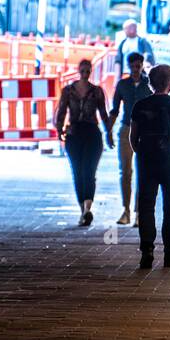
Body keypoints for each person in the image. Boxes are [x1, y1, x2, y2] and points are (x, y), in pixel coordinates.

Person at [130, 64, 170, 269]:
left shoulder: (140, 105)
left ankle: (147, 251)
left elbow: (133, 137)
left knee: (146, 206)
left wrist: (141, 153)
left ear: (151, 83)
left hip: (146, 159)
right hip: (169, 160)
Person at [55, 59, 114, 226]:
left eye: (88, 71)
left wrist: (109, 133)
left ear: (91, 72)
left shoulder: (96, 92)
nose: (85, 74)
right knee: (77, 172)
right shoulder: (68, 91)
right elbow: (61, 112)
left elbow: (103, 114)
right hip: (74, 133)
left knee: (89, 172)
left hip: (92, 133)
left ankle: (88, 208)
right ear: (78, 71)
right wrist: (59, 131)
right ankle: (83, 210)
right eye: (83, 71)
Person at [108, 52, 153, 225]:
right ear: (129, 66)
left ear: (142, 66)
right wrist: (109, 131)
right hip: (126, 128)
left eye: (138, 66)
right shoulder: (122, 85)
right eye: (133, 66)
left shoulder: (148, 85)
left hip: (144, 131)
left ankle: (139, 212)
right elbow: (115, 110)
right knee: (125, 171)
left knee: (142, 172)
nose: (135, 69)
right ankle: (125, 210)